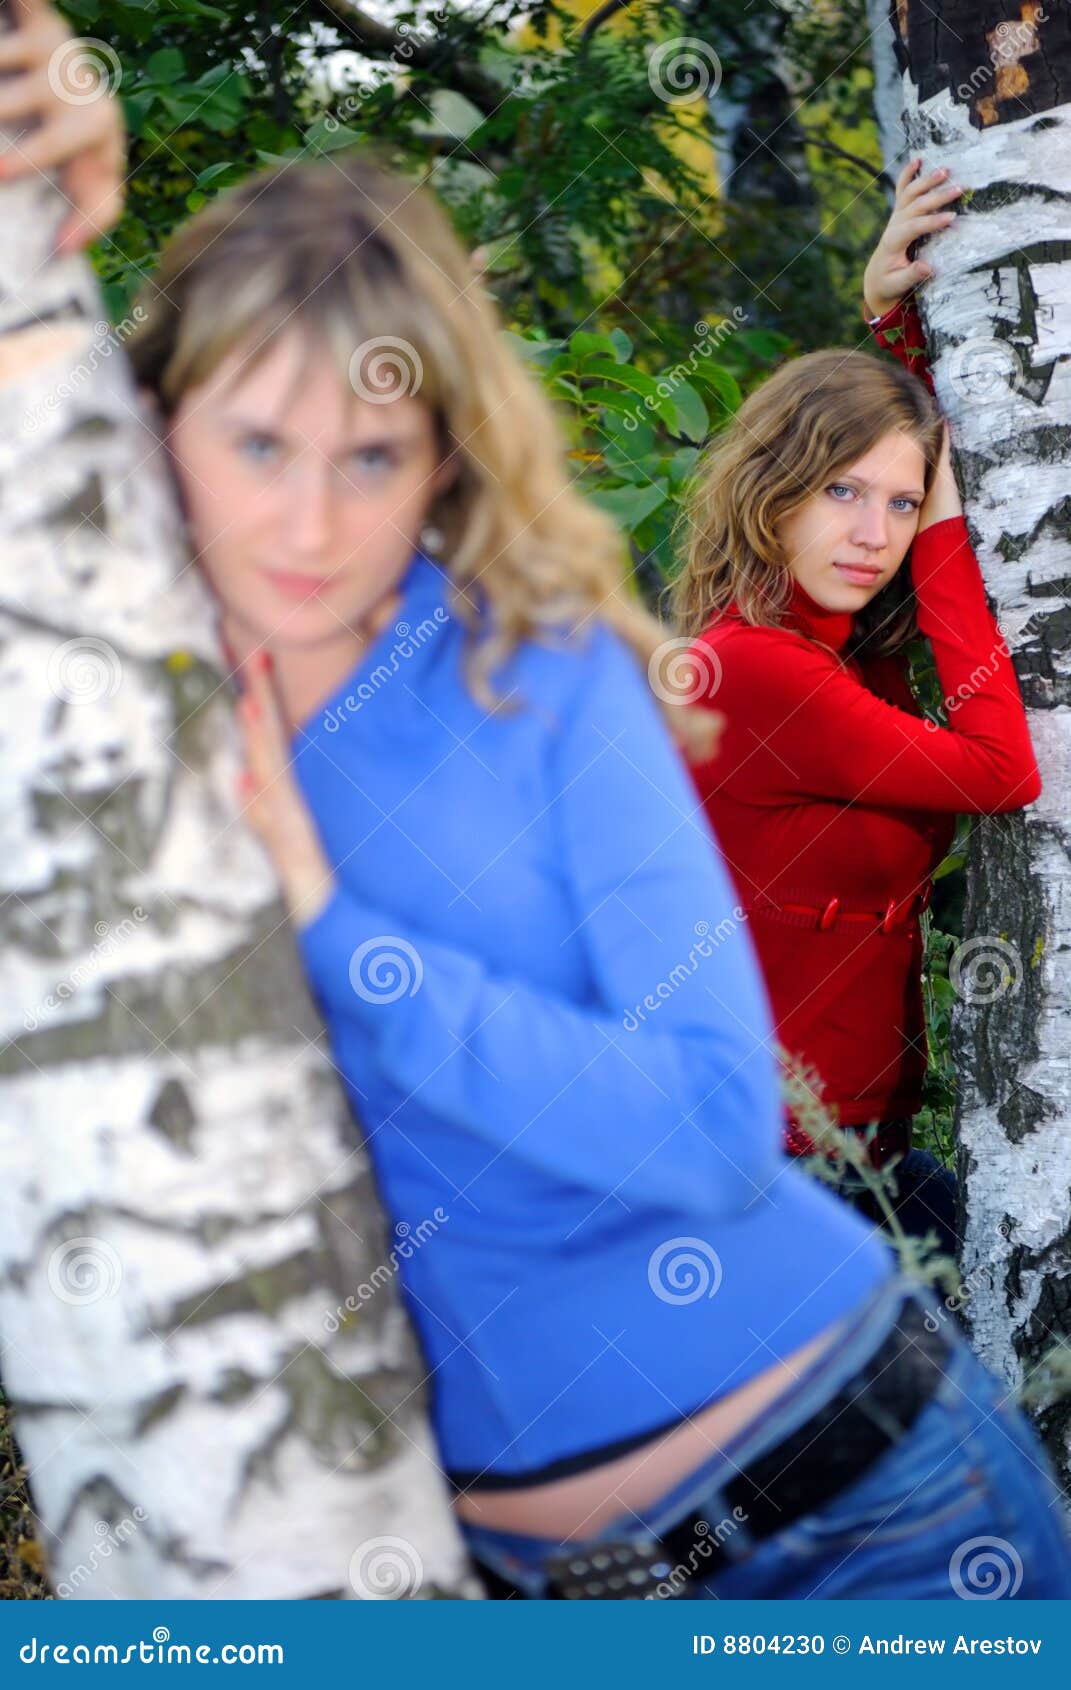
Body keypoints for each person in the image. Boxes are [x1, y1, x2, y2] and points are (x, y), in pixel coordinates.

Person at [8, 6, 1071, 1602]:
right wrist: (45, 214)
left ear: (441, 453)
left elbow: (715, 1127)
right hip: (478, 1569)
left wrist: (329, 921)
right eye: (253, 443)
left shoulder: (540, 668)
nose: (305, 517)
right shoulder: (100, 670)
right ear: (155, 427)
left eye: (370, 454)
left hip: (853, 1515)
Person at [670, 160, 1039, 1262]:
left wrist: (894, 323)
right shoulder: (756, 672)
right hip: (765, 1171)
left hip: (862, 1154)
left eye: (899, 502)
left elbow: (901, 431)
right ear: (773, 487)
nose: (874, 535)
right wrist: (942, 528)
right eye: (841, 494)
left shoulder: (844, 654)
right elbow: (999, 770)